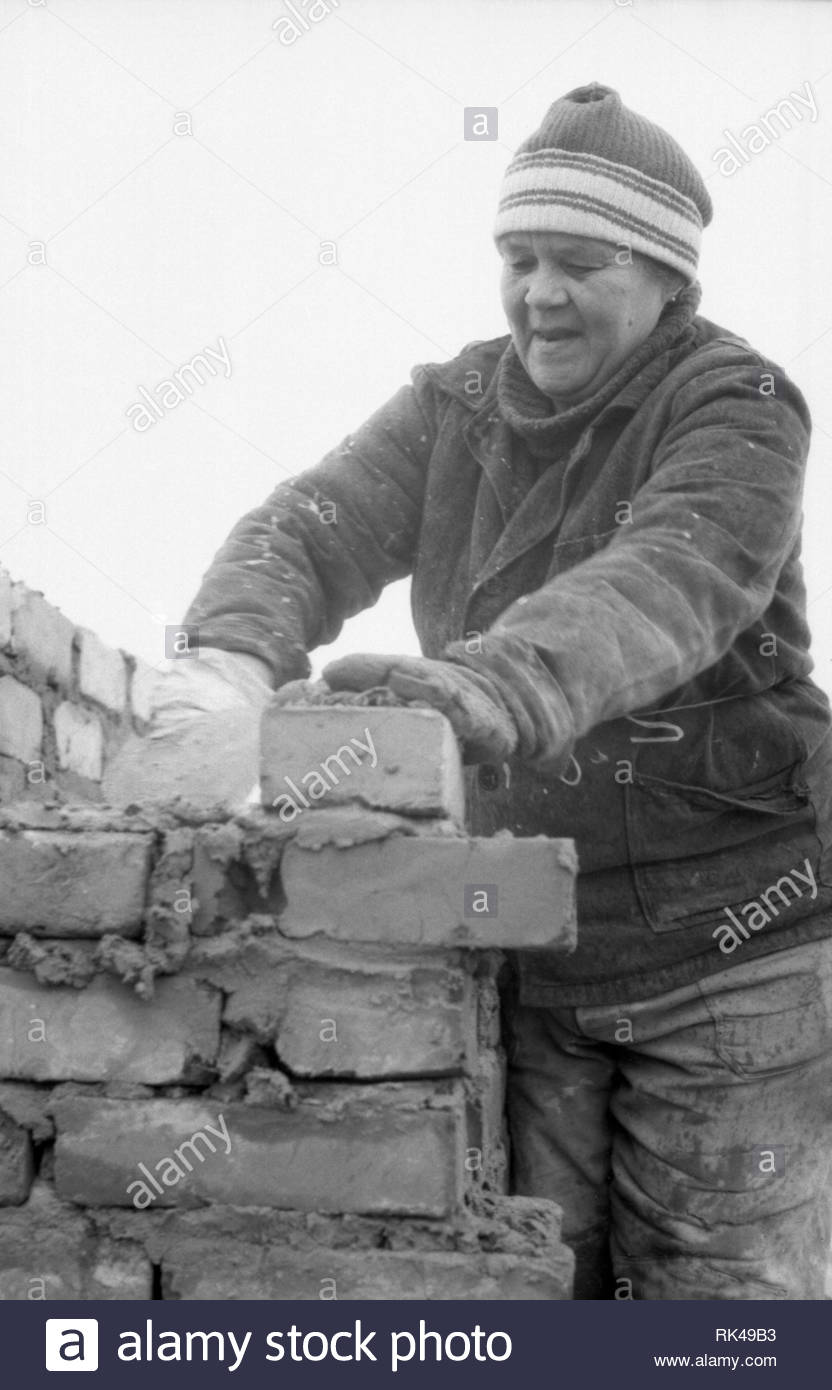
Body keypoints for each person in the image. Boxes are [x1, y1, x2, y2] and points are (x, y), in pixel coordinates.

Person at [134, 83, 832, 1299]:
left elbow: (663, 582)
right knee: (537, 1285)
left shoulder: (738, 406)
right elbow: (310, 528)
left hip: (736, 946)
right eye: (517, 259)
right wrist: (223, 665)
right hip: (542, 950)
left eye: (577, 262)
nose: (537, 295)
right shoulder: (458, 406)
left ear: (666, 274)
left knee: (719, 1303)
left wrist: (477, 689)